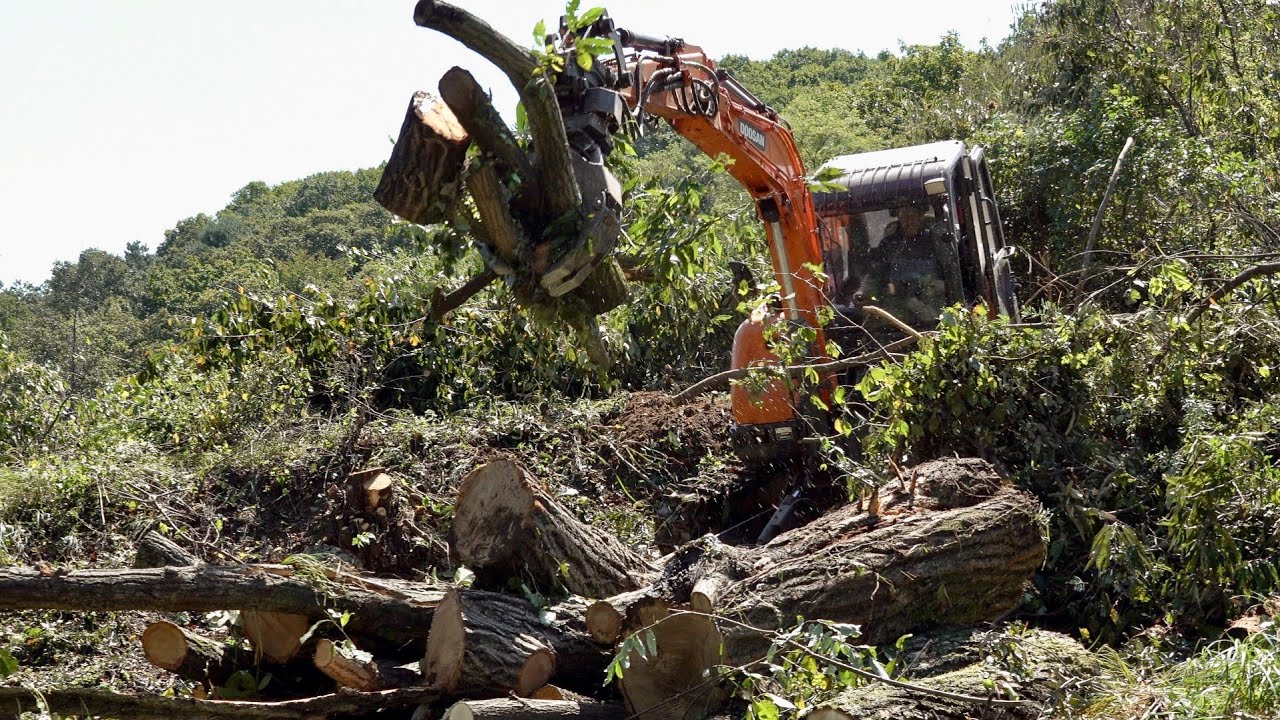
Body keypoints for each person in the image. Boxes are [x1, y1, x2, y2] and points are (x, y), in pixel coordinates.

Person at [854, 204, 947, 328]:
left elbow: (950, 272)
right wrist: (862, 293)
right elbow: (875, 274)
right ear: (898, 218)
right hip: (897, 307)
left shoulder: (936, 241)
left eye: (912, 216)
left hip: (931, 307)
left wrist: (934, 285)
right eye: (904, 217)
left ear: (920, 216)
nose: (909, 221)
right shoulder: (889, 244)